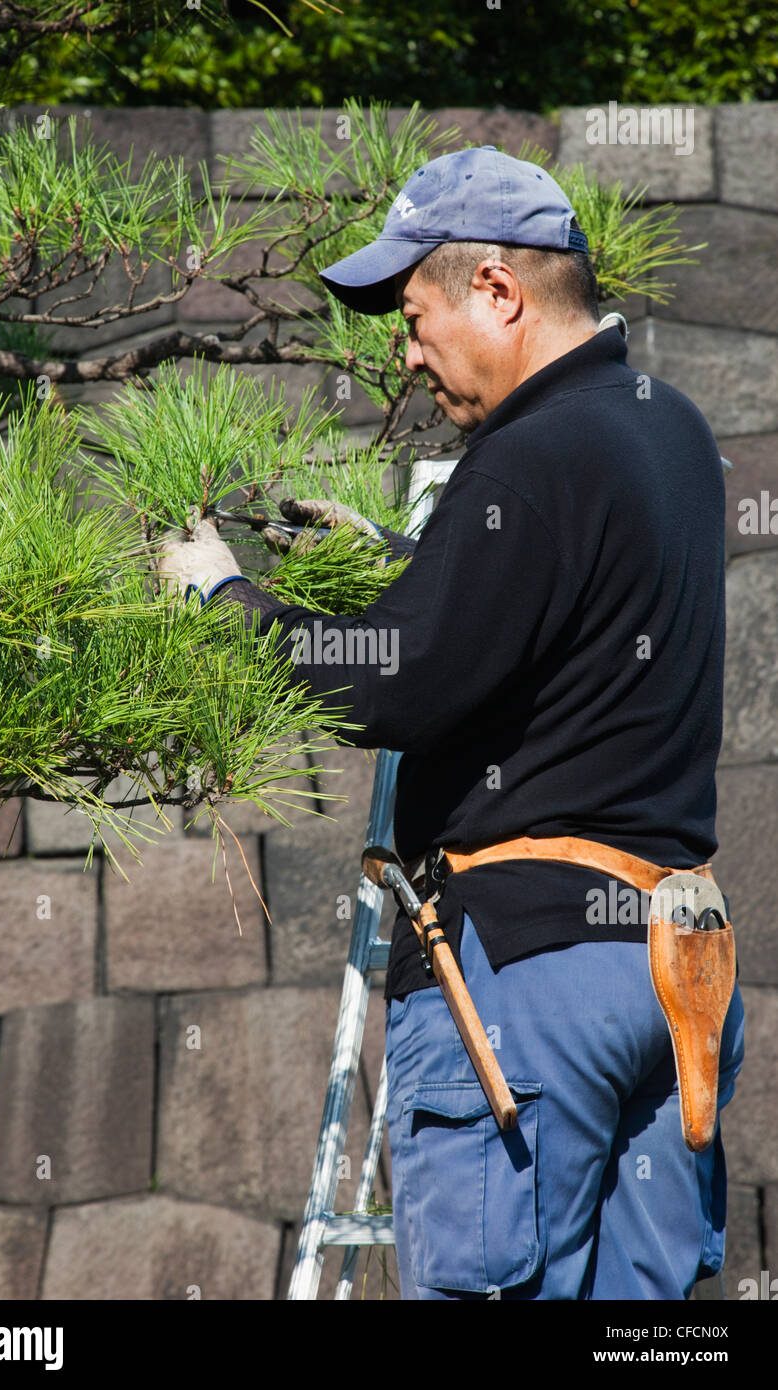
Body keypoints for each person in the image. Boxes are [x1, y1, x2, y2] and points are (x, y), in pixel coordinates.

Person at [158, 146, 745, 1300]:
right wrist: (406, 562)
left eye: (416, 314)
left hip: (526, 985)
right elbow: (556, 617)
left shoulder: (524, 458)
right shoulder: (664, 431)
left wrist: (224, 596)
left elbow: (391, 686)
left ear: (496, 290)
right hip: (667, 972)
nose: (406, 350)